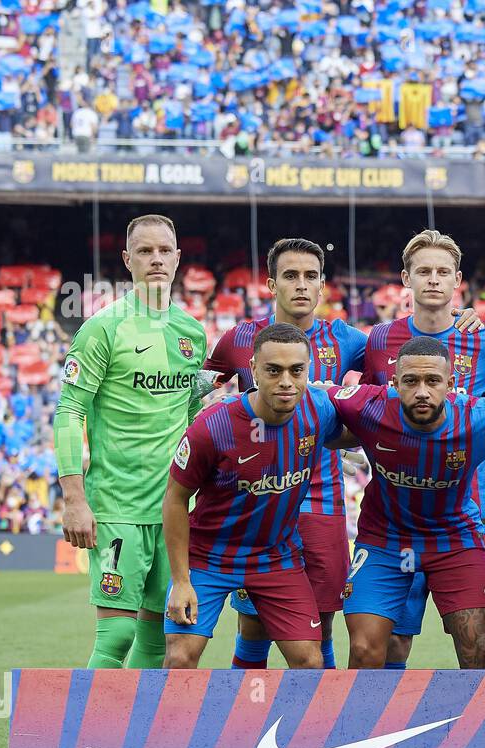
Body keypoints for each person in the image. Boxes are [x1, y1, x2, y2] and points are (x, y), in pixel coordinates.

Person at [360, 230, 485, 669]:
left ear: (457, 280)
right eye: (423, 271)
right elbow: (364, 411)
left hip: (468, 516)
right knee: (392, 643)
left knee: (476, 642)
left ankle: (480, 715)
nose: (433, 279)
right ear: (406, 279)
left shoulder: (484, 343)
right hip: (395, 522)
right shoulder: (379, 340)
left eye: (442, 271)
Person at [204, 238, 369, 670]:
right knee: (253, 625)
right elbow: (198, 396)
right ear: (271, 284)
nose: (301, 285)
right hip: (259, 501)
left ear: (323, 286)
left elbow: (403, 361)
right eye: (291, 276)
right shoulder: (240, 339)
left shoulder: (347, 339)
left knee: (323, 624)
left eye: (311, 276)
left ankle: (320, 710)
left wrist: (455, 319)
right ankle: (249, 709)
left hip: (321, 499)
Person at [335, 337, 485, 668]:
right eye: (411, 381)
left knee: (477, 646)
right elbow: (308, 401)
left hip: (454, 540)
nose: (422, 391)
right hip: (384, 541)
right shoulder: (367, 405)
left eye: (432, 381)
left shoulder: (481, 417)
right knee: (364, 649)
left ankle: (482, 705)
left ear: (450, 384)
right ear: (394, 384)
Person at [54, 214, 207, 668]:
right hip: (117, 502)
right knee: (117, 633)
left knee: (159, 636)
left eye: (164, 250)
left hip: (174, 507)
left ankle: (133, 718)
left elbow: (191, 417)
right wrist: (73, 498)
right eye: (145, 251)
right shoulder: (102, 329)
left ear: (177, 258)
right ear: (127, 260)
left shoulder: (192, 333)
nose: (156, 259)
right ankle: (85, 717)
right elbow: (69, 411)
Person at [163, 324, 342, 669]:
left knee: (309, 661)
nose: (286, 381)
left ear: (309, 370)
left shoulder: (320, 409)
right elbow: (174, 499)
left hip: (275, 558)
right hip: (208, 557)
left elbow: (364, 425)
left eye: (296, 371)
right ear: (254, 369)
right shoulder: (212, 426)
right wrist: (182, 581)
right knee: (180, 656)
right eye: (274, 370)